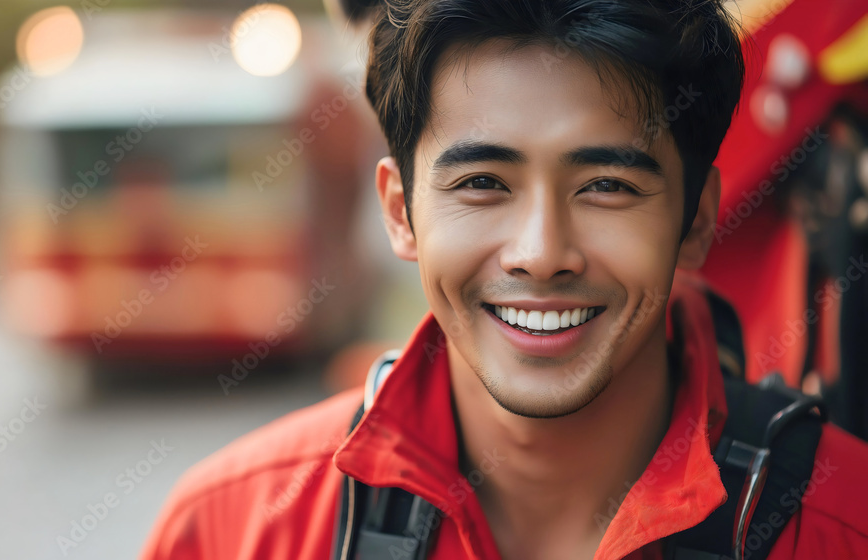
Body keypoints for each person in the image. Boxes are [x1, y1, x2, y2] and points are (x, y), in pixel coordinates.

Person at [140, 1, 868, 558]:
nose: (541, 252)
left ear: (697, 218)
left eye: (607, 185)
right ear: (400, 211)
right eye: (484, 181)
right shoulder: (232, 528)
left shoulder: (844, 523)